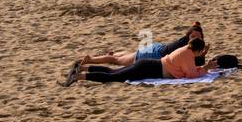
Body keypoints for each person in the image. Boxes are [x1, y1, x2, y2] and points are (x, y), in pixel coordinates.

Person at [68, 24, 205, 74]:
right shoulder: (186, 46)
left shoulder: (188, 42)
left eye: (197, 37)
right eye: (193, 36)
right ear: (188, 36)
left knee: (128, 55)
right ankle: (90, 59)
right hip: (152, 54)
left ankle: (112, 53)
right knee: (116, 61)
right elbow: (194, 66)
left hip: (154, 47)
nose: (194, 39)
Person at [71, 38, 215, 85]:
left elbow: (187, 70)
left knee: (113, 71)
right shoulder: (187, 55)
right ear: (197, 50)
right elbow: (190, 74)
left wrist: (202, 66)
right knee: (113, 77)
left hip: (148, 64)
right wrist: (206, 68)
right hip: (149, 68)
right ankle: (78, 76)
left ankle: (83, 69)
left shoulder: (185, 49)